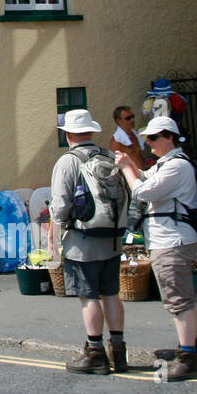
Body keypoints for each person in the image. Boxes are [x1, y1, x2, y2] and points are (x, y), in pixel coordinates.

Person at [114, 116, 197, 381]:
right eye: (147, 138)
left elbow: (143, 191)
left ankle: (188, 358)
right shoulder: (168, 163)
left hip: (172, 241)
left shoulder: (177, 166)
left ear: (169, 138)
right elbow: (146, 176)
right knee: (180, 299)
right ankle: (190, 350)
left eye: (153, 138)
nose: (149, 143)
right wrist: (131, 163)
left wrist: (127, 171)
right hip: (169, 239)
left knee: (179, 300)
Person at [49, 109, 128, 375]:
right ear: (92, 131)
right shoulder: (108, 156)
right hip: (113, 238)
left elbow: (60, 206)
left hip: (82, 240)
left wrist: (53, 240)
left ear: (69, 134)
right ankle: (119, 351)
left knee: (89, 296)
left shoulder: (68, 161)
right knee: (112, 294)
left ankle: (95, 353)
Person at [111, 105, 150, 171]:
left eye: (132, 117)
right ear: (119, 121)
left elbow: (138, 156)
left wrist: (148, 166)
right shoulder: (117, 141)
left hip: (143, 174)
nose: (132, 120)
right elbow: (115, 165)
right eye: (128, 118)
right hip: (132, 178)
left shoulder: (134, 134)